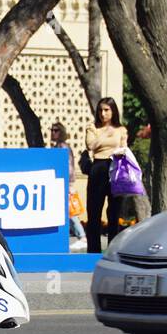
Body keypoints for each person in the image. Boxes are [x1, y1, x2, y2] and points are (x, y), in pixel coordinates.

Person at [83, 98, 126, 252]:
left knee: (114, 212)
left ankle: (113, 250)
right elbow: (91, 145)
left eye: (107, 110)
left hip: (115, 167)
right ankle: (93, 251)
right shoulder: (92, 127)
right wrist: (106, 133)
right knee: (94, 212)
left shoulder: (121, 129)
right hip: (98, 168)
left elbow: (123, 147)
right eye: (101, 110)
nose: (103, 113)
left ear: (113, 111)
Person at [49, 121, 85, 241]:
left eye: (56, 130)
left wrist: (68, 184)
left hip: (64, 182)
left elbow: (68, 166)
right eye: (52, 130)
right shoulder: (57, 146)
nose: (53, 132)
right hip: (59, 181)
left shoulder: (63, 147)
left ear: (62, 132)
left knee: (70, 210)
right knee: (65, 210)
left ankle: (82, 235)